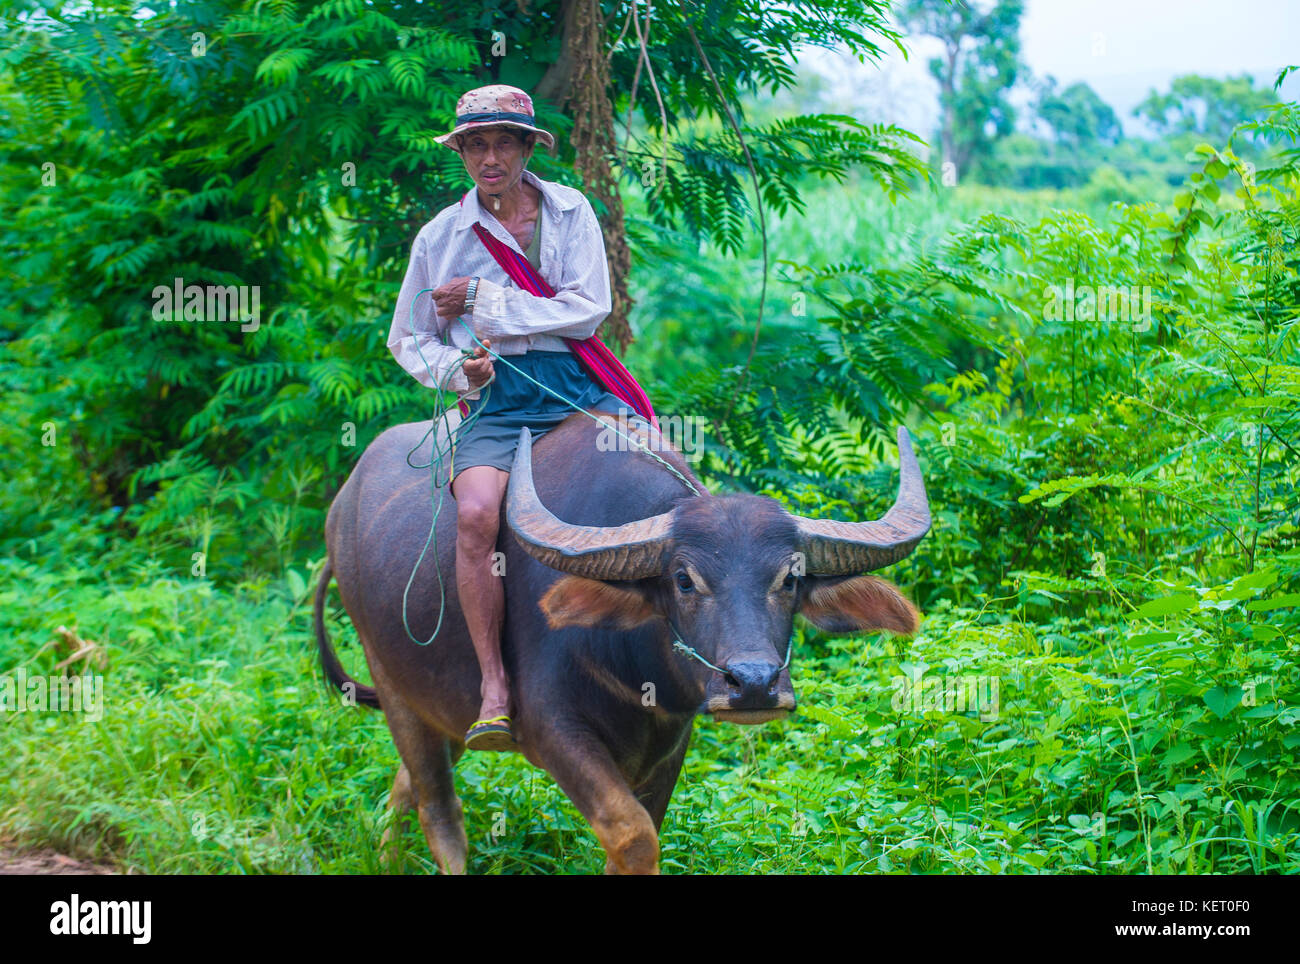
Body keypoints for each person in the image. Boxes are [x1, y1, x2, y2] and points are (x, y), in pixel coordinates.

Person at [387, 84, 642, 751]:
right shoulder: (441, 237)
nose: (489, 157)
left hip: (579, 386)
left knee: (651, 479)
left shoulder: (571, 211)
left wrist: (484, 300)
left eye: (504, 142)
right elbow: (408, 337)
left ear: (530, 148)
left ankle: (656, 659)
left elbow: (588, 309)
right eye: (475, 144)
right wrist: (456, 372)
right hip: (498, 399)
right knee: (474, 514)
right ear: (462, 153)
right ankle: (495, 687)